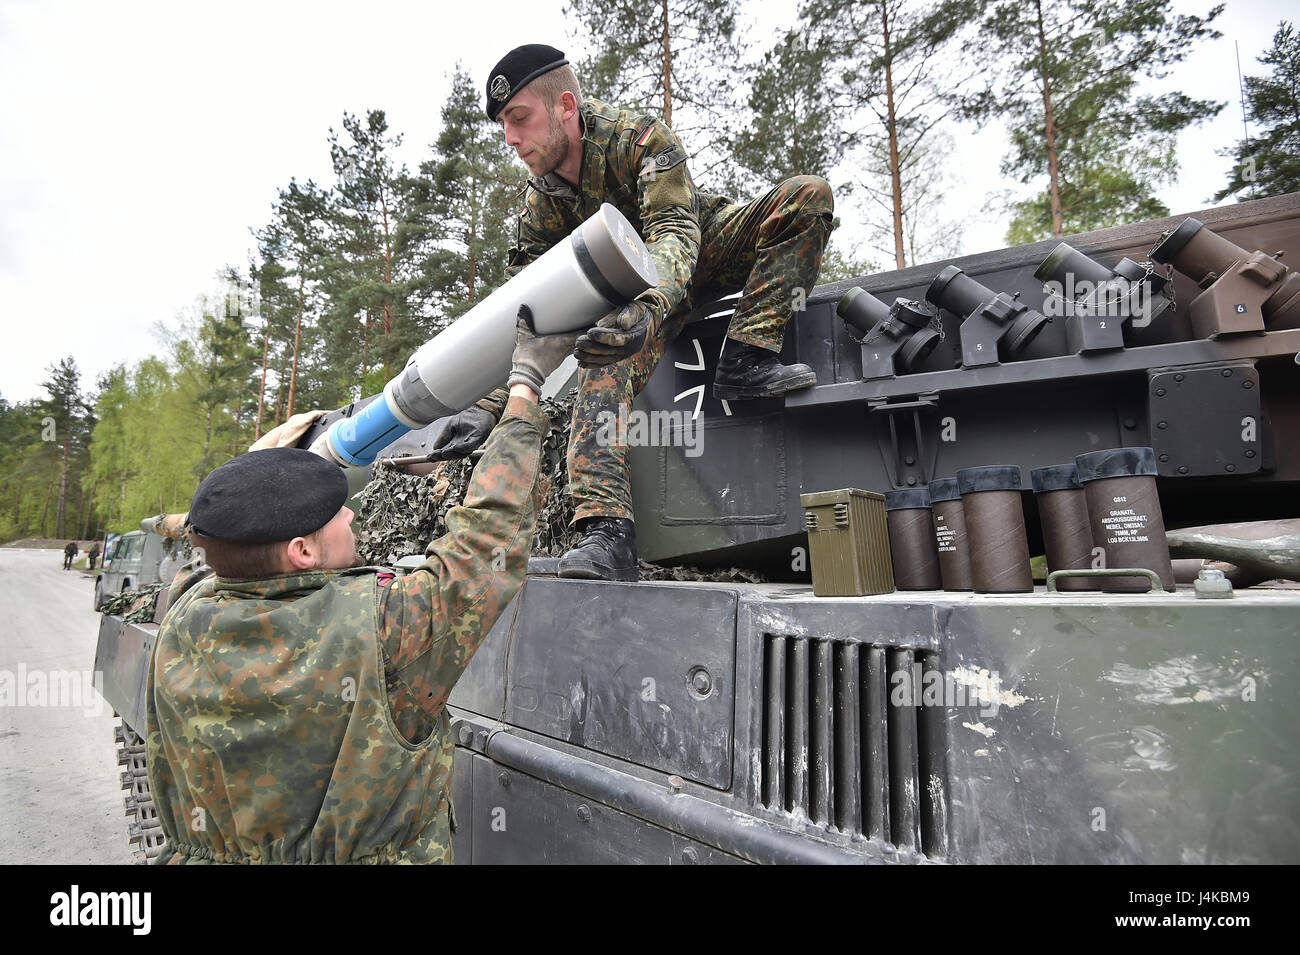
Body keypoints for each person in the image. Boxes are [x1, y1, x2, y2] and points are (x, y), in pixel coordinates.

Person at [144, 315, 579, 864]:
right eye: (334, 514)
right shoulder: (381, 627)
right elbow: (487, 541)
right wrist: (525, 389)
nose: (351, 514)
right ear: (301, 551)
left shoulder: (181, 618)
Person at [446, 43, 834, 581]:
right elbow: (528, 315)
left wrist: (650, 306)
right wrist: (483, 406)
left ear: (564, 106)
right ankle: (607, 534)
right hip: (627, 306)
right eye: (503, 127)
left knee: (806, 196)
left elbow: (675, 230)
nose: (511, 139)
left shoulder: (639, 138)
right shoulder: (540, 206)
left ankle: (747, 356)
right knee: (601, 362)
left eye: (519, 119)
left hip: (700, 251)